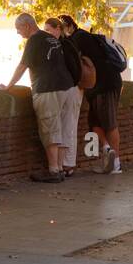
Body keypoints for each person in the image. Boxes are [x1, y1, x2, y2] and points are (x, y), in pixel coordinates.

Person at [0, 13, 76, 183]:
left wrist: (8, 86)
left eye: (18, 29)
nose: (18, 33)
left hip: (49, 88)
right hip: (68, 87)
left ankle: (53, 170)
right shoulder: (51, 38)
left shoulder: (33, 40)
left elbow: (22, 66)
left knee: (50, 129)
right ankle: (61, 168)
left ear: (27, 26)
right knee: (62, 129)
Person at [60, 14, 123, 175]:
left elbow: (74, 64)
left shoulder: (78, 38)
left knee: (109, 122)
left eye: (61, 28)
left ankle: (116, 164)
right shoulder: (84, 37)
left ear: (68, 26)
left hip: (105, 83)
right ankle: (106, 149)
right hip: (97, 85)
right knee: (94, 121)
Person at [44, 17, 83, 177]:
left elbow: (69, 68)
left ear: (58, 29)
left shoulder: (62, 45)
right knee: (67, 127)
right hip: (71, 88)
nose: (46, 33)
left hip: (69, 89)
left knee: (67, 127)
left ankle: (66, 165)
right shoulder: (66, 44)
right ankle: (66, 164)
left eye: (48, 30)